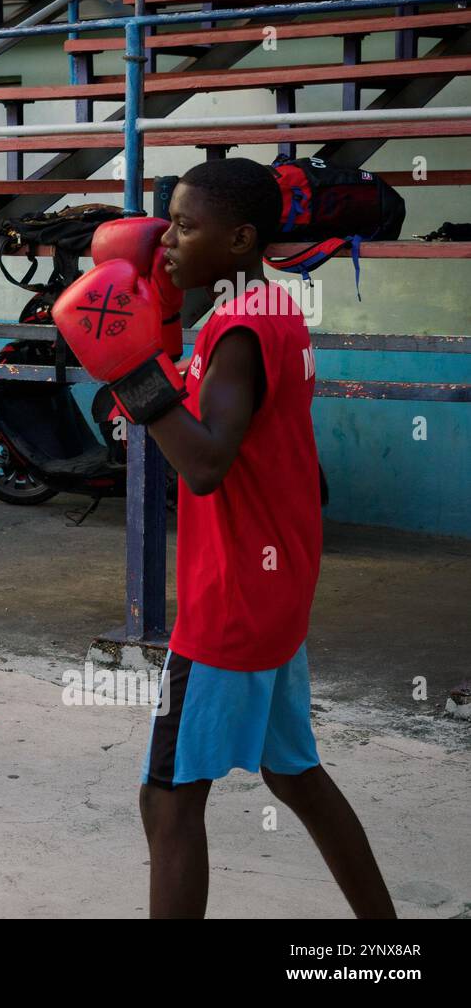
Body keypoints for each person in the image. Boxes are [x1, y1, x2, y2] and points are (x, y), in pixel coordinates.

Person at [53, 158, 395, 918]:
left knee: (167, 801)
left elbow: (205, 464)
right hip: (272, 585)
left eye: (184, 226)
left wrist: (131, 372)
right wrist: (163, 335)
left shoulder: (241, 329)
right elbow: (208, 414)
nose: (166, 240)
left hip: (230, 600)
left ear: (240, 237)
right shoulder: (270, 307)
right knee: (294, 774)